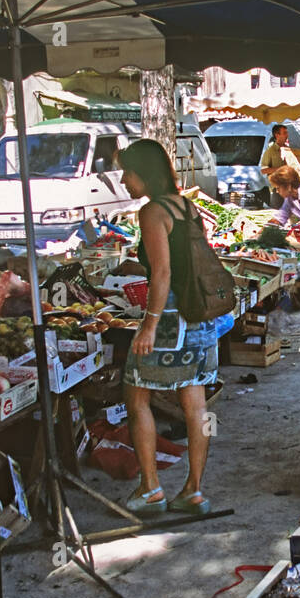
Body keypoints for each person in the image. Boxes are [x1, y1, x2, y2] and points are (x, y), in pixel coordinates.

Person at [119, 140, 220, 516]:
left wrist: (149, 326)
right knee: (195, 403)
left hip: (171, 318)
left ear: (145, 172)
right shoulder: (187, 207)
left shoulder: (152, 212)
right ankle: (194, 490)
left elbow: (162, 274)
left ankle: (151, 489)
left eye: (128, 172)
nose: (125, 180)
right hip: (199, 317)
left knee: (136, 394)